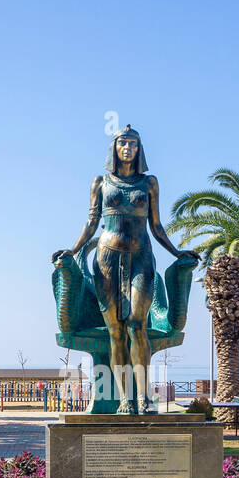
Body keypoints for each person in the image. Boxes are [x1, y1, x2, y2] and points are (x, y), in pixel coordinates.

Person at [52, 126, 198, 414]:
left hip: (141, 257)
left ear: (139, 149)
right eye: (123, 144)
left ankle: (143, 397)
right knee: (115, 331)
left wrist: (176, 252)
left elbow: (156, 226)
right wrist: (73, 249)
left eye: (132, 144)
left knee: (136, 325)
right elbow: (92, 222)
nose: (128, 148)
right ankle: (124, 399)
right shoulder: (100, 182)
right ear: (115, 149)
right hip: (106, 258)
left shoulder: (149, 183)